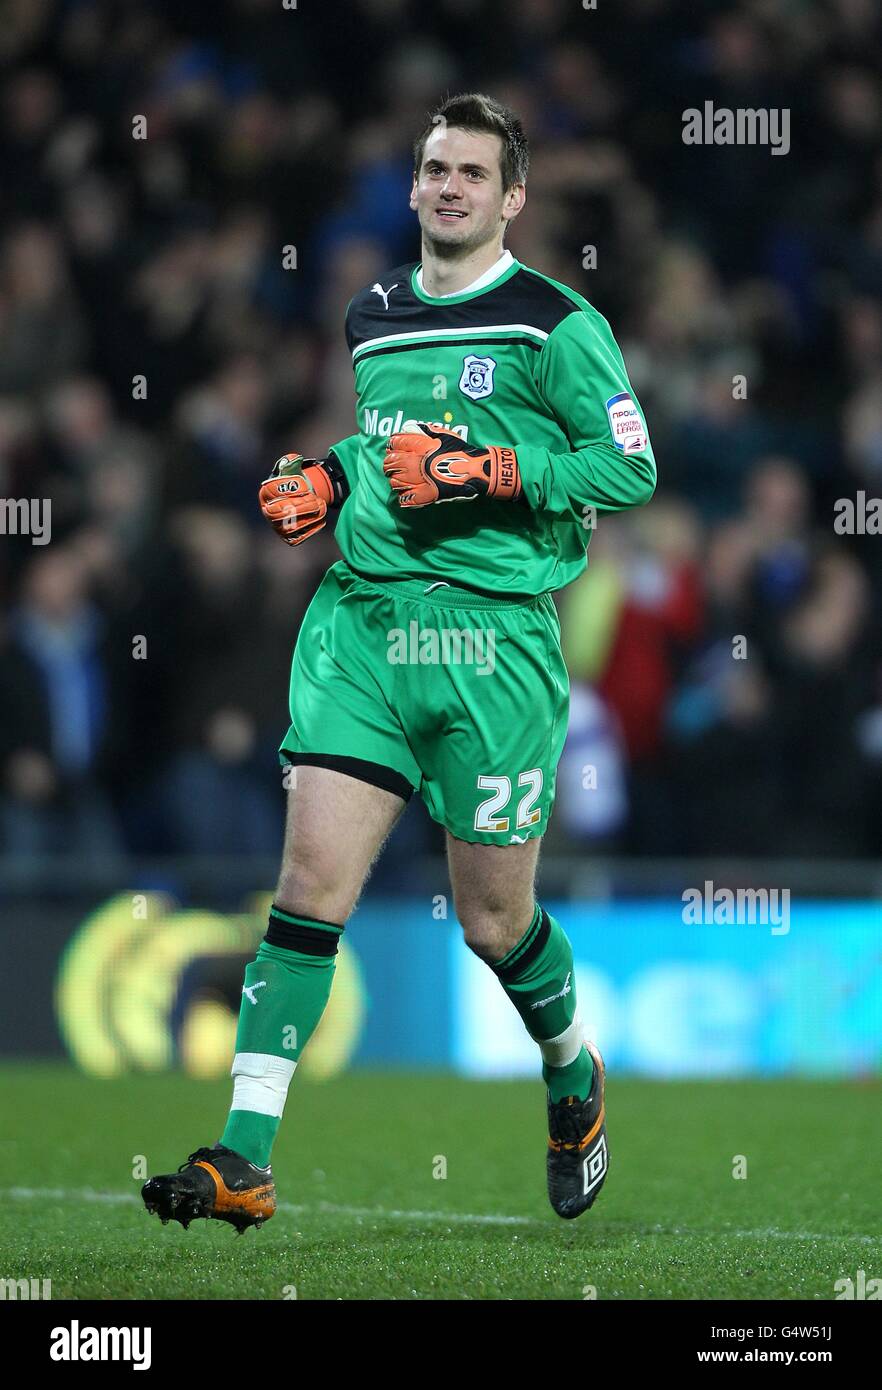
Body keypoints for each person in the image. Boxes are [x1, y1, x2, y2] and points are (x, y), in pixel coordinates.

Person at [142, 92, 655, 1233]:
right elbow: (380, 442)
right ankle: (246, 1153)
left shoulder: (556, 325)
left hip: (494, 643)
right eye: (434, 168)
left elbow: (627, 470)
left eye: (473, 172)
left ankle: (572, 1072)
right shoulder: (371, 310)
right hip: (365, 627)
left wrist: (488, 473)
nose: (449, 187)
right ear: (415, 183)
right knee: (309, 887)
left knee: (490, 920)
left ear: (513, 197)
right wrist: (329, 480)